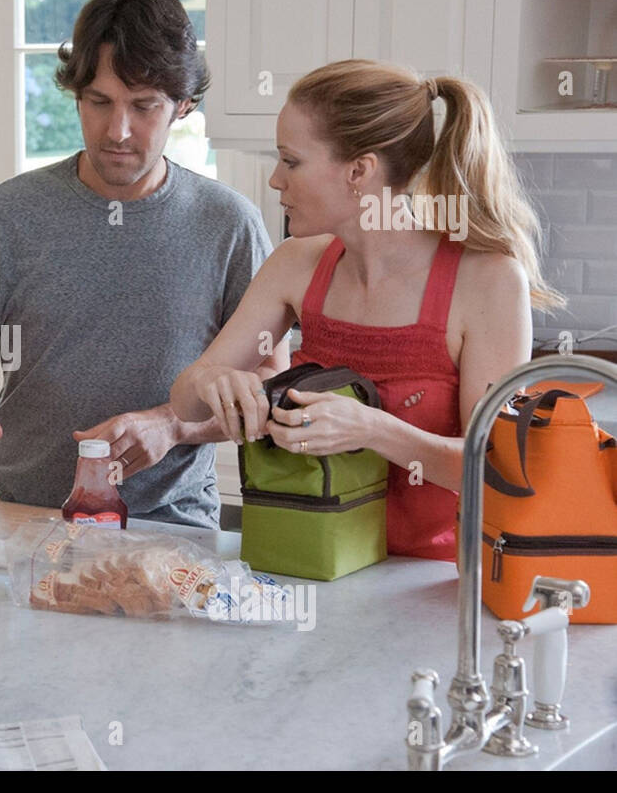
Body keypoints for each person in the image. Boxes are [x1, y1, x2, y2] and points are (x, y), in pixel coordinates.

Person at [0, 0, 288, 527]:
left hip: (170, 524)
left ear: (183, 106)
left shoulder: (228, 224)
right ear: (76, 96)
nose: (118, 130)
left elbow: (266, 390)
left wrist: (173, 425)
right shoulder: (9, 214)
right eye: (99, 102)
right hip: (22, 517)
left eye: (144, 106)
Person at [170, 59, 562, 560]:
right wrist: (211, 382)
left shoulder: (487, 281)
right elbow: (185, 401)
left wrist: (371, 429)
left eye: (291, 161)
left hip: (432, 588)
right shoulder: (296, 265)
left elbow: (498, 469)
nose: (274, 181)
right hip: (307, 566)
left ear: (359, 171)